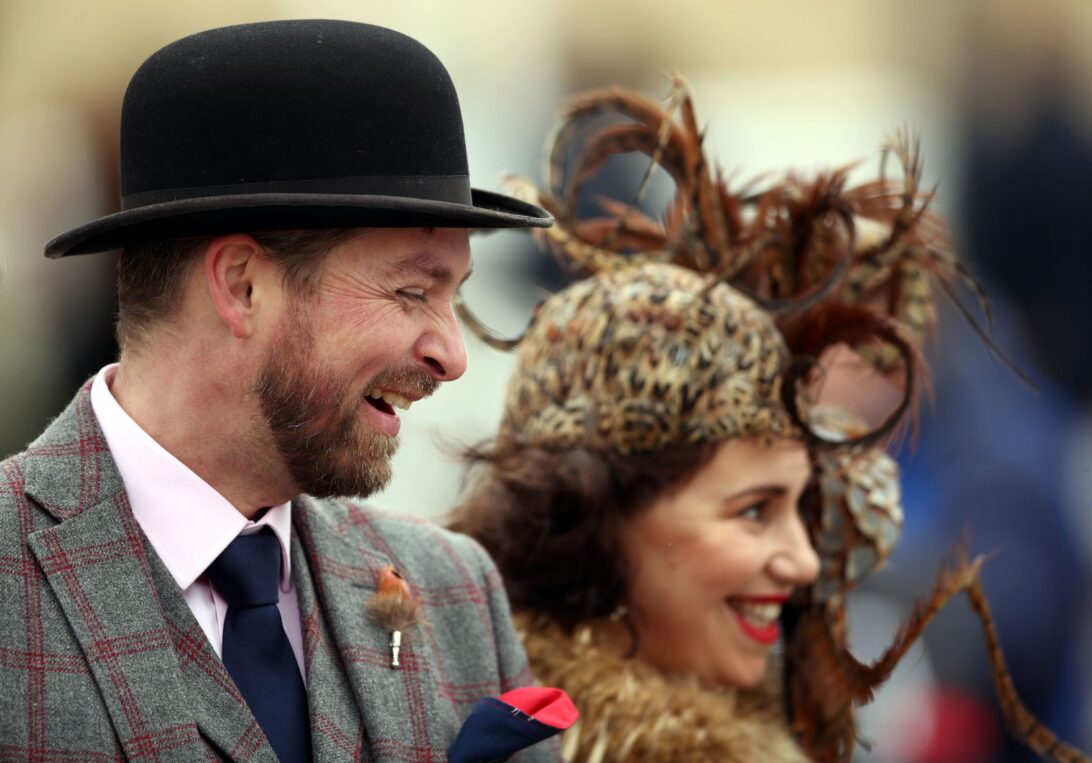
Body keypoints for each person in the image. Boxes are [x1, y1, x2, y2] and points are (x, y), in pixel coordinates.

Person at [449, 80, 1090, 762]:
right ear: (599, 517)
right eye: (755, 510)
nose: (806, 557)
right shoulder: (489, 730)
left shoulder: (994, 439)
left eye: (802, 505)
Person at [0, 20, 562, 763]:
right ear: (243, 285)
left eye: (452, 294)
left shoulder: (454, 591)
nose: (451, 354)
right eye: (409, 289)